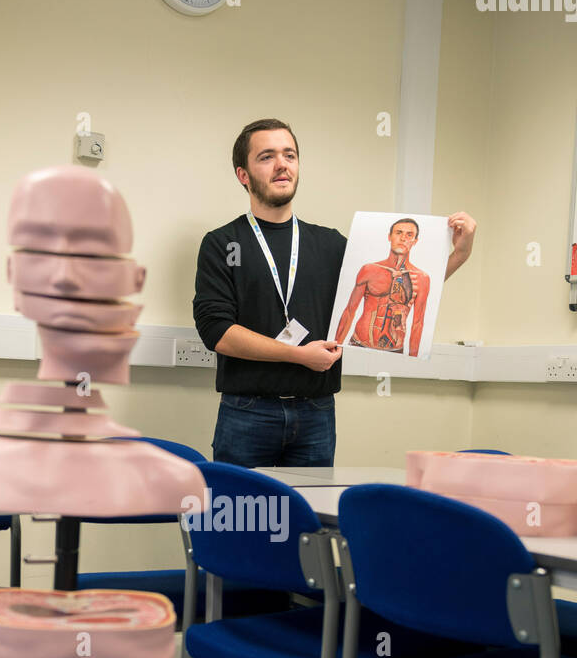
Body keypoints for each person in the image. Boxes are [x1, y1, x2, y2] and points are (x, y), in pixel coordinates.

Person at [192, 118, 476, 467]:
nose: (282, 164)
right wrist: (297, 355)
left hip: (316, 412)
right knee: (245, 520)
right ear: (243, 175)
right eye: (267, 156)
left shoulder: (330, 244)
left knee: (312, 521)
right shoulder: (222, 243)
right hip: (248, 412)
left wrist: (458, 255)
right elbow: (217, 332)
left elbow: (396, 291)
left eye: (290, 155)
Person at [334, 218, 430, 354]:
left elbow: (418, 323)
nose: (403, 238)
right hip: (359, 344)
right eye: (398, 232)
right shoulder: (369, 270)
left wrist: (412, 358)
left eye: (409, 235)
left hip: (394, 350)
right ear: (389, 236)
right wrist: (335, 345)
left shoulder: (421, 278)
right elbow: (350, 311)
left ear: (415, 241)